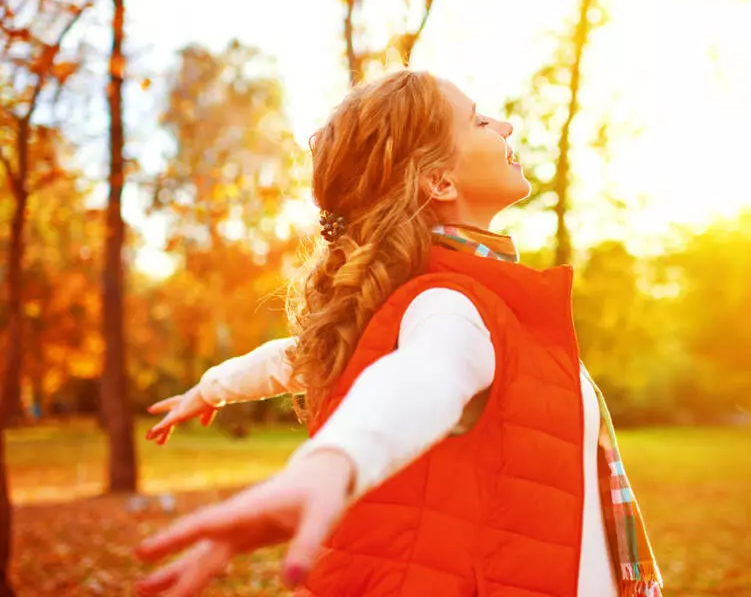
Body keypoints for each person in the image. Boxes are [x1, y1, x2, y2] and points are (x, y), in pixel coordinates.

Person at [133, 69, 663, 597]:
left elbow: (299, 355)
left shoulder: (454, 298)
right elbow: (420, 380)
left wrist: (211, 387)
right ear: (441, 181)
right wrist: (334, 461)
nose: (504, 126)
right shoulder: (450, 304)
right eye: (479, 121)